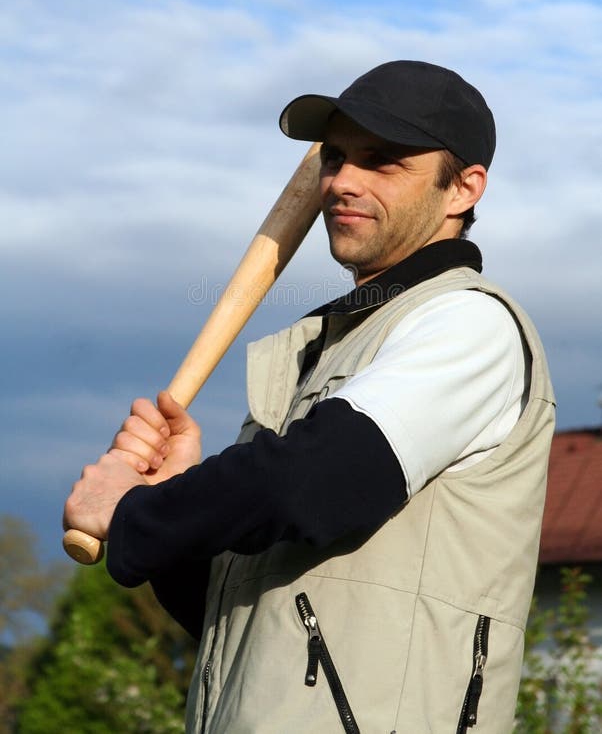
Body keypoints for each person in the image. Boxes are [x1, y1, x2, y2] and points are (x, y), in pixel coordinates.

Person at [64, 60, 556, 733]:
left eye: (381, 161)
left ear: (463, 188)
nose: (342, 181)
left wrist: (133, 510)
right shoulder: (326, 354)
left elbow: (314, 485)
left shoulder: (469, 324)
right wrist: (171, 503)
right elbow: (238, 613)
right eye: (334, 157)